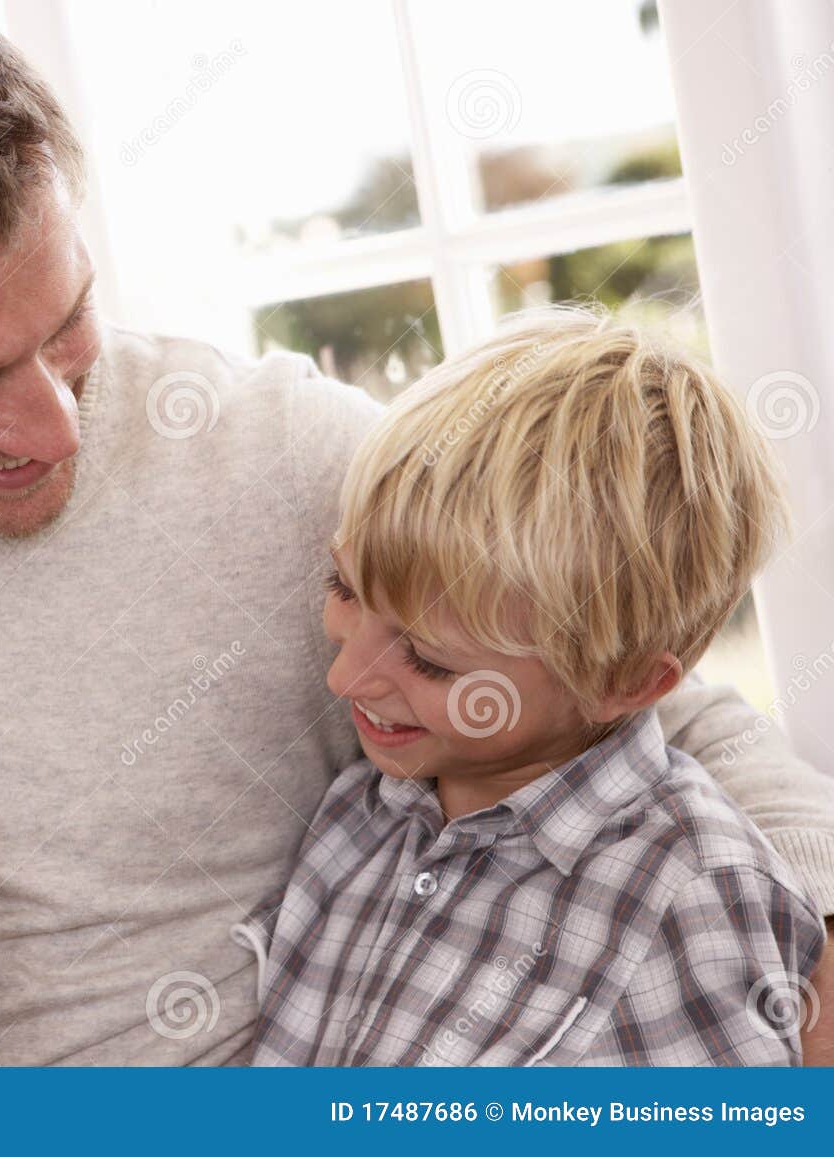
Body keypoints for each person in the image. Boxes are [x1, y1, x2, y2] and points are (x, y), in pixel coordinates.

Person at [0, 0, 834, 1063]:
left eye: (68, 323)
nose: (54, 424)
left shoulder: (271, 451)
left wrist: (804, 942)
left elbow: (637, 702)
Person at [249, 308, 823, 1065]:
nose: (346, 675)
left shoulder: (688, 903)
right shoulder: (362, 815)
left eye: (429, 661)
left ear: (622, 681)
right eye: (345, 588)